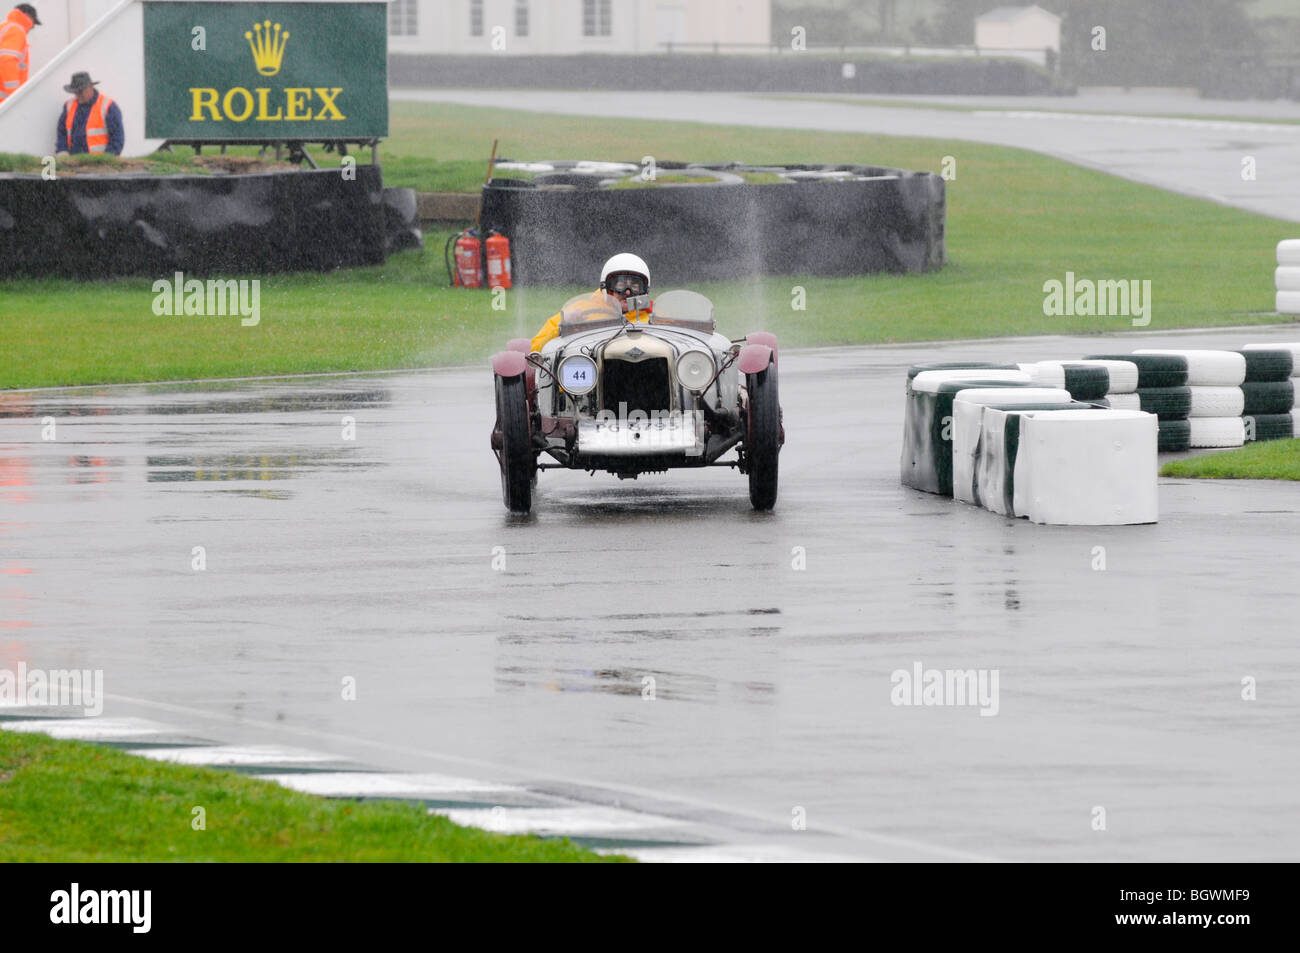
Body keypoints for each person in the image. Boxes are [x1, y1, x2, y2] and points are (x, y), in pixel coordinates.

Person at [530, 253, 652, 353]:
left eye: (635, 286)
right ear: (607, 287)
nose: (627, 292)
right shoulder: (580, 310)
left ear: (644, 290)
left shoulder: (654, 317)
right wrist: (562, 325)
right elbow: (536, 349)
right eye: (620, 285)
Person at [55, 71, 124, 156]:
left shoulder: (108, 106)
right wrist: (62, 152)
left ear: (90, 87)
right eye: (76, 92)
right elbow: (62, 133)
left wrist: (106, 160)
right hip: (74, 162)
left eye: (80, 92)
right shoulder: (69, 106)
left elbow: (117, 139)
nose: (78, 95)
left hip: (101, 164)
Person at [0, 4, 38, 105]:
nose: (32, 27)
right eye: (33, 23)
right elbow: (7, 60)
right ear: (27, 16)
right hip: (4, 101)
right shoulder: (16, 30)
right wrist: (15, 96)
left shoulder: (4, 27)